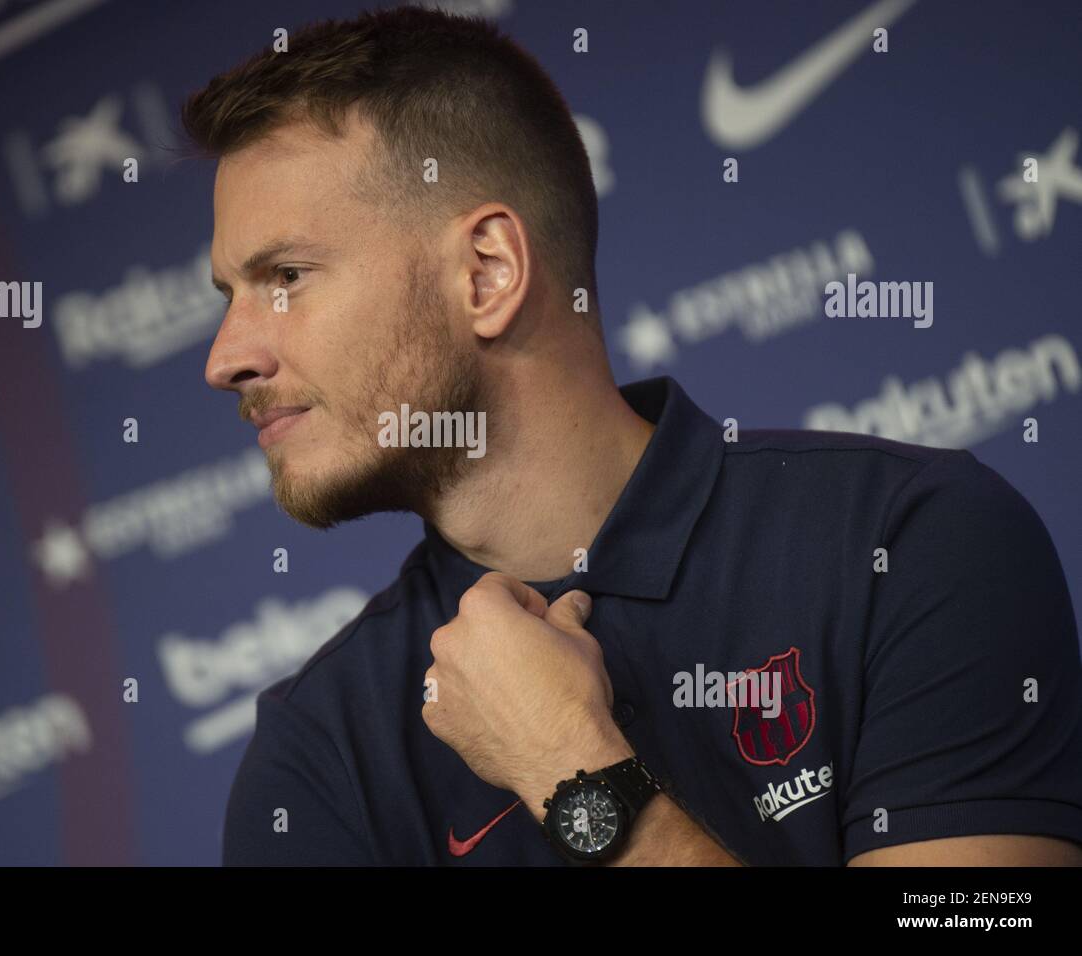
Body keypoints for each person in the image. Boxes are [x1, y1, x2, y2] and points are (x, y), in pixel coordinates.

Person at [183, 6, 1082, 865]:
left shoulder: (909, 543)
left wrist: (575, 774)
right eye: (231, 297)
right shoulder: (318, 758)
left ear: (486, 273)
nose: (227, 358)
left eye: (286, 277)